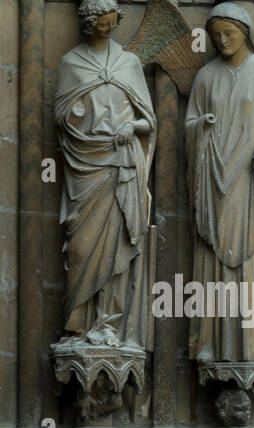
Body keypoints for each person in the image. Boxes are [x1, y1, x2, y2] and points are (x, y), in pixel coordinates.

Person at [186, 2, 254, 368]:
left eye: (229, 33)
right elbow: (190, 123)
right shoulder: (206, 76)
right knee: (211, 258)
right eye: (216, 36)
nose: (223, 41)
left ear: (246, 33)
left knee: (250, 257)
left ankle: (253, 343)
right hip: (214, 180)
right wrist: (201, 128)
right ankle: (208, 340)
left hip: (248, 179)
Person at [55, 0, 155, 350]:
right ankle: (77, 324)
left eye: (113, 23)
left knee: (117, 246)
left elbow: (149, 120)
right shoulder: (71, 63)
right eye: (102, 24)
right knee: (81, 247)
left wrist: (131, 125)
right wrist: (76, 117)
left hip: (121, 164)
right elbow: (61, 117)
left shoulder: (129, 63)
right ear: (88, 23)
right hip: (85, 163)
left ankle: (109, 324)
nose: (108, 29)